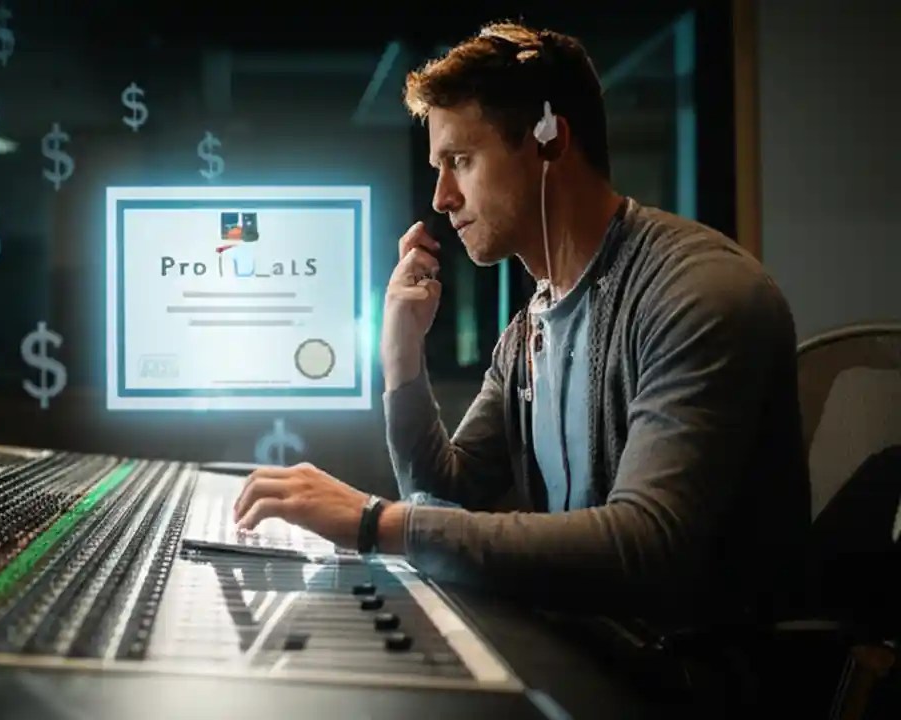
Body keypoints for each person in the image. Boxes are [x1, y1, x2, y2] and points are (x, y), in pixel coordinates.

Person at [233, 21, 810, 625]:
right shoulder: (534, 323)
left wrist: (373, 521)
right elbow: (444, 496)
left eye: (460, 160)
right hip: (594, 648)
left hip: (689, 684)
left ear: (549, 142)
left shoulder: (698, 293)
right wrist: (401, 355)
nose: (441, 197)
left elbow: (647, 547)